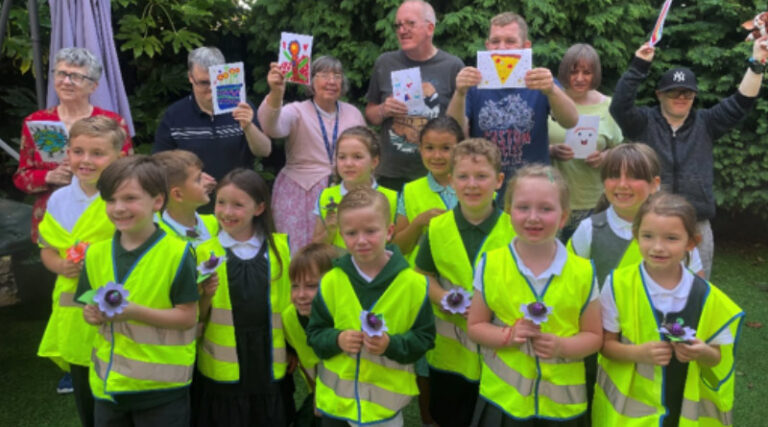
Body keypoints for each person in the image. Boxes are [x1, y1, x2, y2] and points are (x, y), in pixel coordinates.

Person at [609, 38, 768, 279]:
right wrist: (639, 65)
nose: (681, 96)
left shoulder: (707, 122)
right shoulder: (642, 123)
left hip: (697, 224)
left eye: (688, 92)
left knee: (697, 293)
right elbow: (619, 106)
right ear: (659, 94)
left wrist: (757, 63)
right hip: (651, 222)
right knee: (643, 287)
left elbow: (742, 102)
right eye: (673, 91)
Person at [468, 165, 602, 426]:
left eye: (546, 209)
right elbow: (475, 326)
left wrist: (563, 347)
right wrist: (507, 336)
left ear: (563, 217)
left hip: (563, 406)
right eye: (523, 207)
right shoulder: (490, 264)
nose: (533, 217)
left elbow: (594, 336)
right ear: (508, 211)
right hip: (504, 401)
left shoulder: (583, 271)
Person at [594, 192, 743, 426]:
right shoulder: (617, 285)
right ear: (636, 236)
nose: (658, 247)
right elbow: (604, 344)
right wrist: (637, 353)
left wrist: (701, 352)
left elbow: (717, 358)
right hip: (630, 414)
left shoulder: (707, 296)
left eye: (671, 238)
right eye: (648, 236)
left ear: (691, 243)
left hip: (684, 411)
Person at [77, 155, 198, 426]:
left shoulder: (178, 254)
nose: (118, 208)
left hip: (161, 390)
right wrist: (90, 314)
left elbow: (188, 317)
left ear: (157, 201)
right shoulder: (95, 253)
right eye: (110, 200)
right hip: (108, 387)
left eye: (130, 198)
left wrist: (132, 312)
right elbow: (87, 302)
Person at [306, 187, 436, 426]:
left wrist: (391, 344)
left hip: (385, 411)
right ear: (342, 236)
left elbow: (424, 339)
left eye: (371, 231)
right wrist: (337, 339)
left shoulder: (414, 285)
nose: (361, 240)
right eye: (352, 233)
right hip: (338, 408)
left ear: (389, 231)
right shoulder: (331, 281)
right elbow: (314, 334)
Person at [415, 138, 515, 427]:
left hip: (497, 348)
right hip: (450, 352)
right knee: (450, 416)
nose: (472, 184)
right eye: (463, 176)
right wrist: (445, 298)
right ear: (451, 181)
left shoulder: (513, 230)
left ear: (498, 181)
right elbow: (423, 274)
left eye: (481, 176)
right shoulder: (437, 227)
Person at [36, 116, 125, 427]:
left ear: (119, 156)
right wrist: (59, 265)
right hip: (73, 306)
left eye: (97, 153)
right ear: (68, 153)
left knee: (119, 385)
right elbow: (47, 247)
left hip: (118, 303)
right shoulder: (58, 199)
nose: (86, 160)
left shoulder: (123, 198)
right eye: (77, 151)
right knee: (85, 391)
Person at [193, 168, 293, 426]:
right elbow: (196, 315)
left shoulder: (280, 249)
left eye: (238, 205)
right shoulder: (204, 252)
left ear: (259, 208)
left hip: (268, 353)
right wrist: (205, 296)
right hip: (223, 356)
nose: (227, 212)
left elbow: (288, 305)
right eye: (221, 203)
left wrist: (293, 348)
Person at [446, 12, 578, 201]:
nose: (501, 48)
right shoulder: (474, 84)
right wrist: (459, 93)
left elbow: (571, 120)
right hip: (485, 188)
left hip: (533, 186)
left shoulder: (539, 81)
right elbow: (454, 131)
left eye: (510, 41)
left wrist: (552, 91)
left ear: (526, 47)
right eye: (495, 41)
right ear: (487, 46)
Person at [13, 47, 133, 244]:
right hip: (52, 218)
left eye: (76, 76)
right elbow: (22, 176)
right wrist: (48, 177)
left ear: (93, 86)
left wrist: (89, 172)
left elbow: (128, 172)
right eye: (61, 73)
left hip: (102, 214)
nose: (66, 81)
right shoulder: (38, 121)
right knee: (57, 268)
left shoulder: (112, 122)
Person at [259, 56, 366, 253]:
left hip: (343, 192)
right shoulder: (296, 110)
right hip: (298, 193)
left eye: (337, 75)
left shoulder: (353, 113)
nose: (331, 81)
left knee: (338, 251)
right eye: (324, 75)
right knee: (297, 255)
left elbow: (365, 154)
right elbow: (271, 127)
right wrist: (276, 93)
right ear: (311, 81)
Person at [568, 143, 704, 287]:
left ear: (654, 184)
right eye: (614, 176)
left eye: (633, 177)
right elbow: (570, 283)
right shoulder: (589, 229)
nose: (622, 184)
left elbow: (698, 287)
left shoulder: (675, 227)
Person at [153, 46, 271, 209]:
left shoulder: (241, 106)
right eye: (203, 83)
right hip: (193, 205)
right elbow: (159, 163)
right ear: (190, 78)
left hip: (238, 202)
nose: (210, 89)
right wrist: (193, 177)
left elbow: (264, 151)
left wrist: (249, 127)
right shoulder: (174, 115)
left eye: (216, 81)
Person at [364, 0, 464, 191]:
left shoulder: (453, 66)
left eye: (410, 24)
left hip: (438, 175)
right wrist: (384, 109)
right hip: (391, 173)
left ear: (430, 28)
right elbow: (370, 113)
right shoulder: (385, 63)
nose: (402, 30)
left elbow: (461, 124)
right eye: (398, 25)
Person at [547, 43, 623, 242]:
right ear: (564, 72)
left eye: (587, 72)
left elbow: (622, 148)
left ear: (595, 74)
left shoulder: (608, 106)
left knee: (588, 265)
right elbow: (531, 143)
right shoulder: (550, 100)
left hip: (593, 201)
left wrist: (605, 156)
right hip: (551, 200)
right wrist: (552, 150)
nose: (580, 78)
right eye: (573, 72)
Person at [312, 126, 398, 250]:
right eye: (342, 157)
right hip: (338, 266)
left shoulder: (392, 198)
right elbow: (316, 248)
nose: (348, 164)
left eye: (357, 157)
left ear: (374, 162)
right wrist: (330, 231)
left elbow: (398, 245)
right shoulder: (325, 196)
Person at [393, 116, 462, 263]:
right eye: (429, 148)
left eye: (446, 148)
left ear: (460, 149)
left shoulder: (477, 189)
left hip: (467, 280)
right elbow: (398, 248)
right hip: (422, 280)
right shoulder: (410, 191)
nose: (437, 156)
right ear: (421, 149)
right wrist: (418, 223)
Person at [283, 242, 338, 427]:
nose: (300, 295)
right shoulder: (291, 318)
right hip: (323, 392)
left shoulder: (349, 314)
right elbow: (308, 364)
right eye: (294, 286)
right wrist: (318, 395)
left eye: (311, 286)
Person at [153, 150, 219, 247]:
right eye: (198, 179)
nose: (207, 181)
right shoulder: (161, 239)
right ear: (178, 194)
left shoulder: (214, 223)